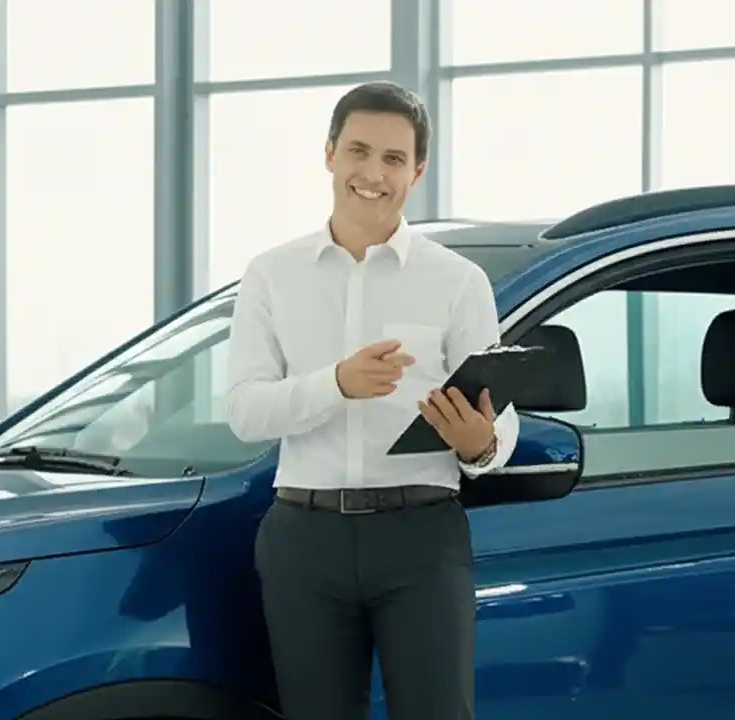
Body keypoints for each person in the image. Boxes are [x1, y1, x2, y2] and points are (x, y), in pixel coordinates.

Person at [225, 81, 519, 720]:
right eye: (359, 151)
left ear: (417, 171)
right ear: (329, 154)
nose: (373, 173)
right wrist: (336, 383)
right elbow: (246, 412)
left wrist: (482, 446)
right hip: (304, 539)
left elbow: (500, 413)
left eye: (393, 159)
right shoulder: (271, 274)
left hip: (421, 536)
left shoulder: (457, 282)